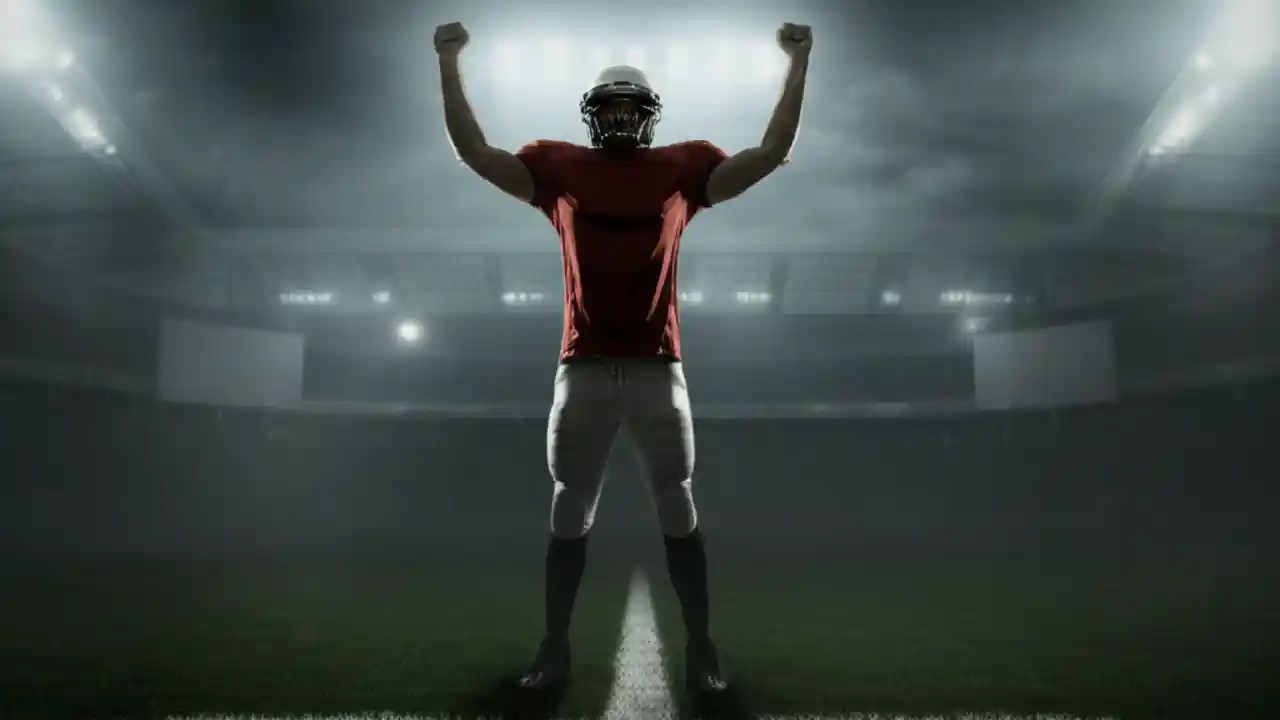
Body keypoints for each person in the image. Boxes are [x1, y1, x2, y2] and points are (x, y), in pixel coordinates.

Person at [433, 19, 811, 701]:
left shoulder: (682, 167)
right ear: (590, 114)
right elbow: (475, 152)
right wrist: (448, 61)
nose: (620, 120)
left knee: (677, 504)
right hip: (582, 365)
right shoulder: (558, 167)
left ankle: (702, 648)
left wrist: (798, 62)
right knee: (568, 509)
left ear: (649, 115)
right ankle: (554, 648)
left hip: (656, 366)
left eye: (630, 110)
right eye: (609, 109)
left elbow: (772, 152)